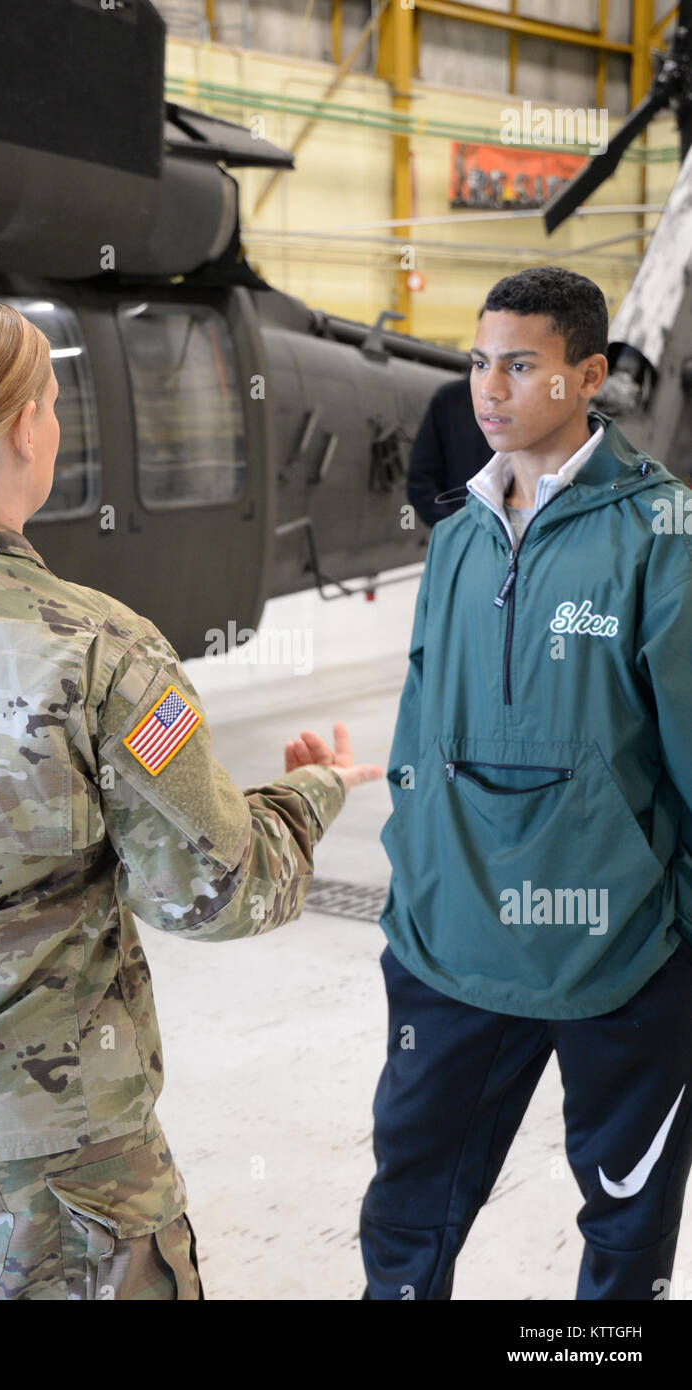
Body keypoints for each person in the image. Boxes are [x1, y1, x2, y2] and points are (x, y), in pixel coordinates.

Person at [0, 288, 383, 1301]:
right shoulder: (99, 650)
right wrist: (308, 795)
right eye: (51, 401)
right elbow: (216, 893)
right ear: (26, 428)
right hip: (58, 1155)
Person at [360, 266, 692, 1301]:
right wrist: (412, 874)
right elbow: (420, 723)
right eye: (476, 363)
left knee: (624, 1225)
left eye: (518, 365)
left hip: (618, 953)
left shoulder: (663, 533)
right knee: (406, 1214)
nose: (488, 389)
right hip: (449, 944)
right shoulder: (457, 533)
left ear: (587, 376)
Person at [407, 375, 492, 528]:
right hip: (462, 532)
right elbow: (421, 479)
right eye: (481, 364)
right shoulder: (450, 399)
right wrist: (455, 526)